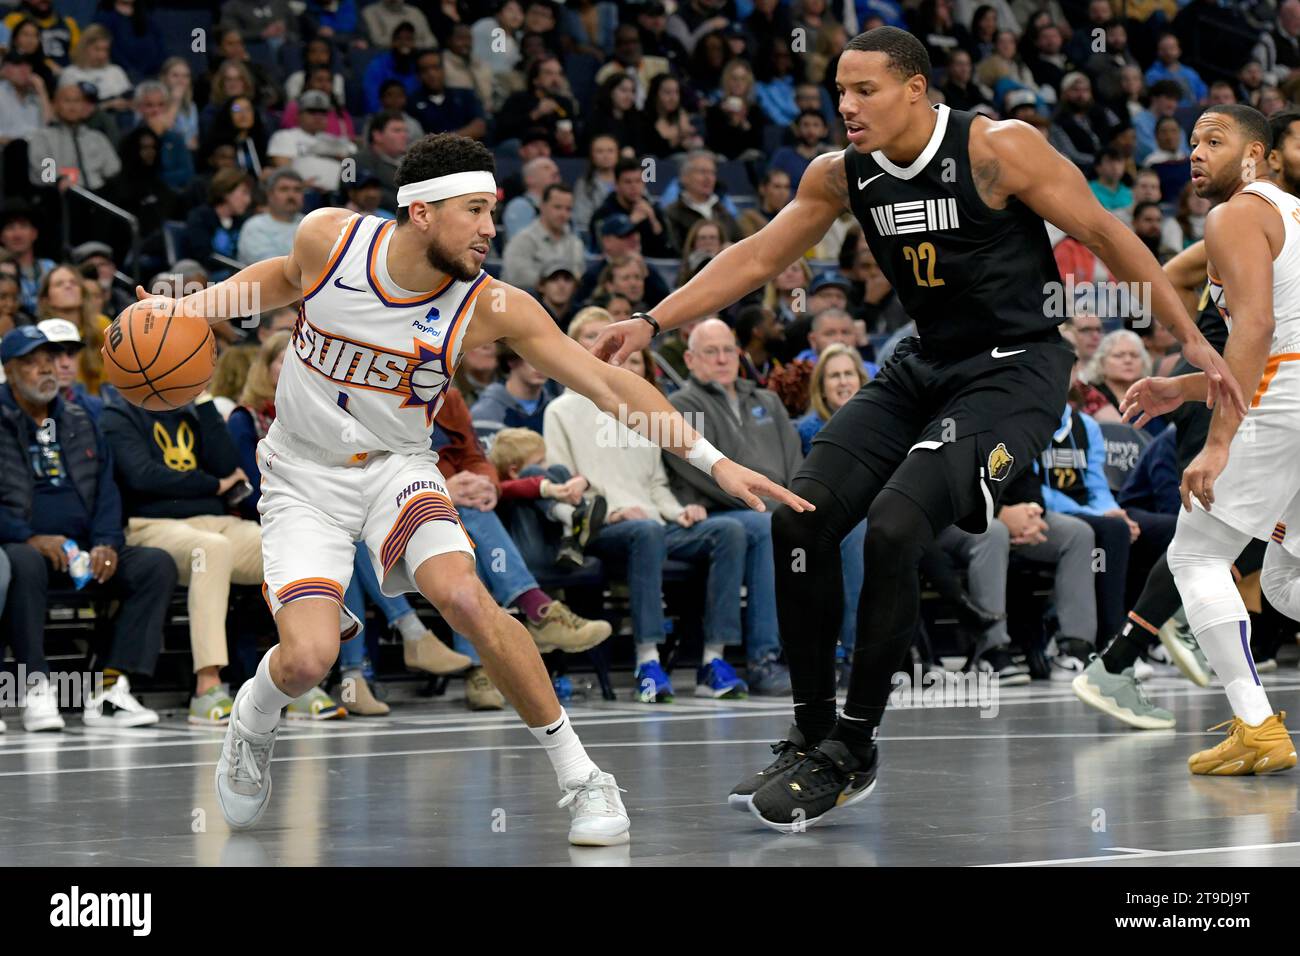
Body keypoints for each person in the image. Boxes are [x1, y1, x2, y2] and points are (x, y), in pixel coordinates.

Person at [591, 26, 1238, 831]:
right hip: (922, 364)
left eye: (864, 90)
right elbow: (757, 258)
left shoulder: (1000, 148)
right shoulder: (841, 174)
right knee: (801, 511)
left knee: (897, 526)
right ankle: (812, 729)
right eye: (837, 91)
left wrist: (1194, 343)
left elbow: (1109, 236)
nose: (845, 105)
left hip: (1017, 370)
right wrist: (651, 319)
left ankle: (854, 747)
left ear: (917, 90)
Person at [134, 132, 802, 846]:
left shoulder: (494, 306)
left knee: (465, 596)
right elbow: (280, 276)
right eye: (476, 210)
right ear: (421, 212)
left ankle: (582, 778)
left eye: (494, 211)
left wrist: (714, 459)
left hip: (398, 465)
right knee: (306, 660)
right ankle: (254, 715)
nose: (491, 228)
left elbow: (608, 383)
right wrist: (193, 309)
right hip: (301, 475)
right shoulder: (329, 238)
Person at [1116, 105, 1300, 774]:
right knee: (1283, 578)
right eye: (1192, 141)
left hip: (1285, 403)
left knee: (1196, 557)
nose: (1196, 152)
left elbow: (1253, 332)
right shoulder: (1288, 212)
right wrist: (1185, 388)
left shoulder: (1235, 215)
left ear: (1255, 155)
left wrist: (1218, 442)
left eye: (1214, 141)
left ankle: (1257, 725)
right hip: (1293, 395)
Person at [0, 326, 176, 731]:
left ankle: (110, 691)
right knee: (23, 562)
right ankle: (36, 688)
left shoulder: (80, 419)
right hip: (22, 545)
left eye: (49, 359)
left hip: (82, 550)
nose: (45, 368)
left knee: (155, 565)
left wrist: (106, 543)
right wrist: (27, 536)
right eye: (31, 362)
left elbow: (106, 490)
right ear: (10, 371)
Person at [237, 168, 305, 263]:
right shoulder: (255, 226)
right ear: (270, 195)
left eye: (297, 190)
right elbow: (271, 266)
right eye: (284, 189)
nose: (291, 195)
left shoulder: (310, 223)